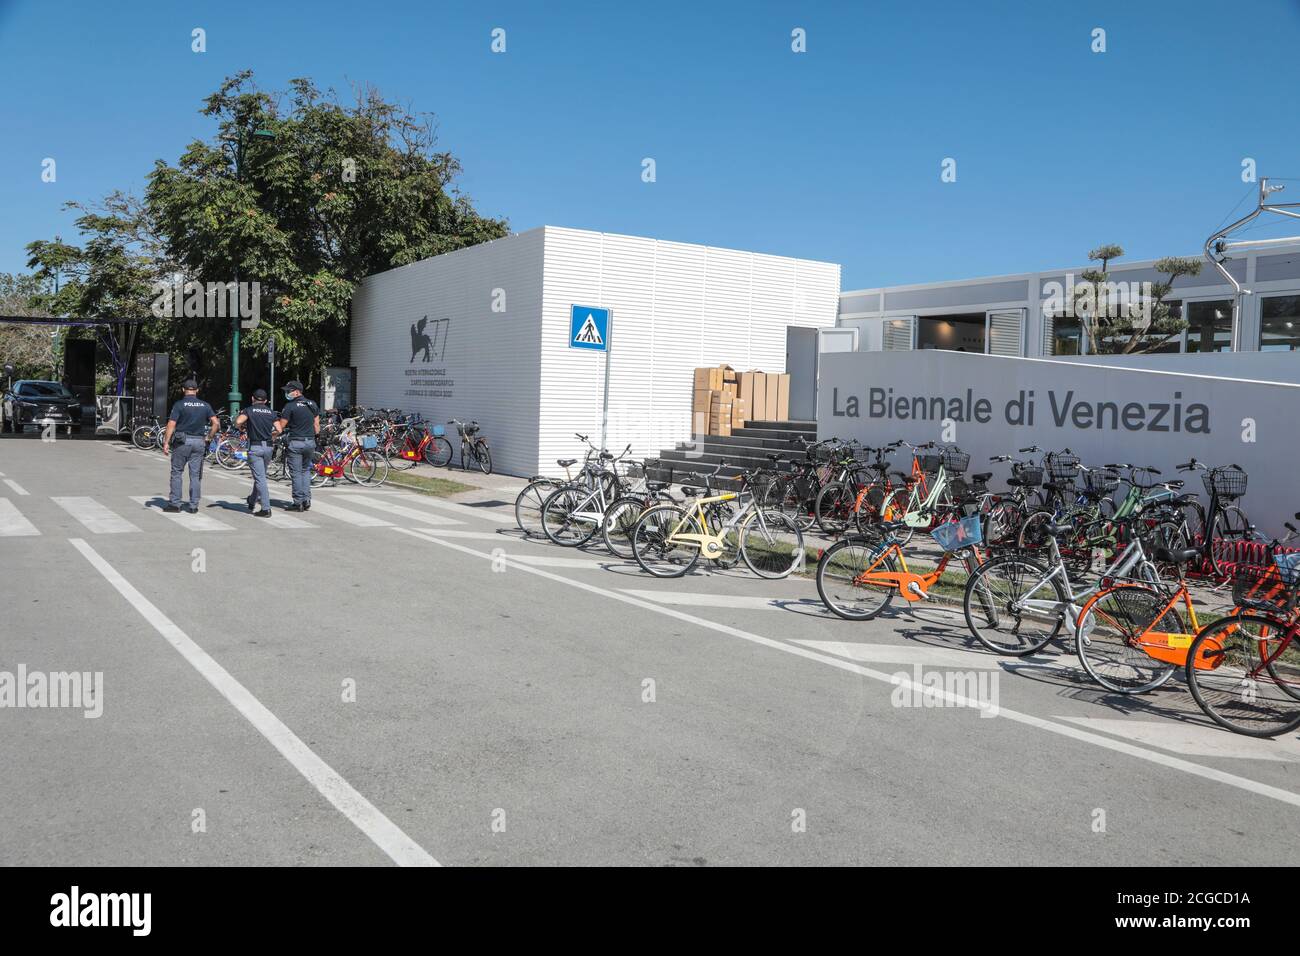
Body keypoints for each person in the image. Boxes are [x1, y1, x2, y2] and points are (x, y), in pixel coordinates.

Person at [161, 379, 219, 514]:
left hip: (182, 442)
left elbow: (171, 424)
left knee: (177, 472)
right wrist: (209, 437)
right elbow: (216, 423)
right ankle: (193, 505)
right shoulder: (205, 405)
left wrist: (166, 442)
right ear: (197, 390)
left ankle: (175, 504)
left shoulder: (179, 405)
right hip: (199, 442)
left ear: (183, 390)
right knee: (195, 475)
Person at [276, 380, 319, 512]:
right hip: (310, 442)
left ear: (297, 391)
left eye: (289, 391)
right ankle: (307, 500)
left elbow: (281, 426)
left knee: (296, 473)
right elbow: (317, 427)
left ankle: (298, 502)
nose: (287, 393)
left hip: (296, 442)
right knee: (305, 470)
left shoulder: (290, 406)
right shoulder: (312, 404)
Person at [234, 388, 277, 517]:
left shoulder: (249, 410)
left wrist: (241, 428)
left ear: (253, 399)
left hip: (255, 447)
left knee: (260, 478)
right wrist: (270, 436)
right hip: (268, 447)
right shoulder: (271, 412)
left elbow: (238, 421)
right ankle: (252, 500)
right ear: (265, 400)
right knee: (260, 475)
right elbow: (279, 428)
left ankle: (266, 508)